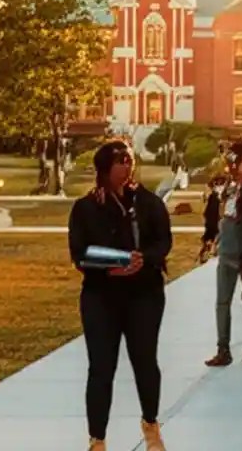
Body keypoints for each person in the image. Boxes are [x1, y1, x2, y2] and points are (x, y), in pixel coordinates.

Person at [68, 141, 173, 451]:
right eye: (119, 161)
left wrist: (143, 259)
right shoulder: (86, 207)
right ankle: (97, 438)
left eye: (129, 160)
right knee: (101, 366)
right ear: (104, 168)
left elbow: (163, 241)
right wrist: (112, 262)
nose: (127, 166)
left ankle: (150, 424)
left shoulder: (148, 203)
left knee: (145, 360)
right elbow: (79, 252)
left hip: (144, 293)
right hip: (101, 295)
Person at [203, 140, 242, 367]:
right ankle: (223, 348)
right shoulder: (227, 186)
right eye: (237, 161)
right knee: (222, 301)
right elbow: (220, 214)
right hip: (227, 248)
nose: (241, 165)